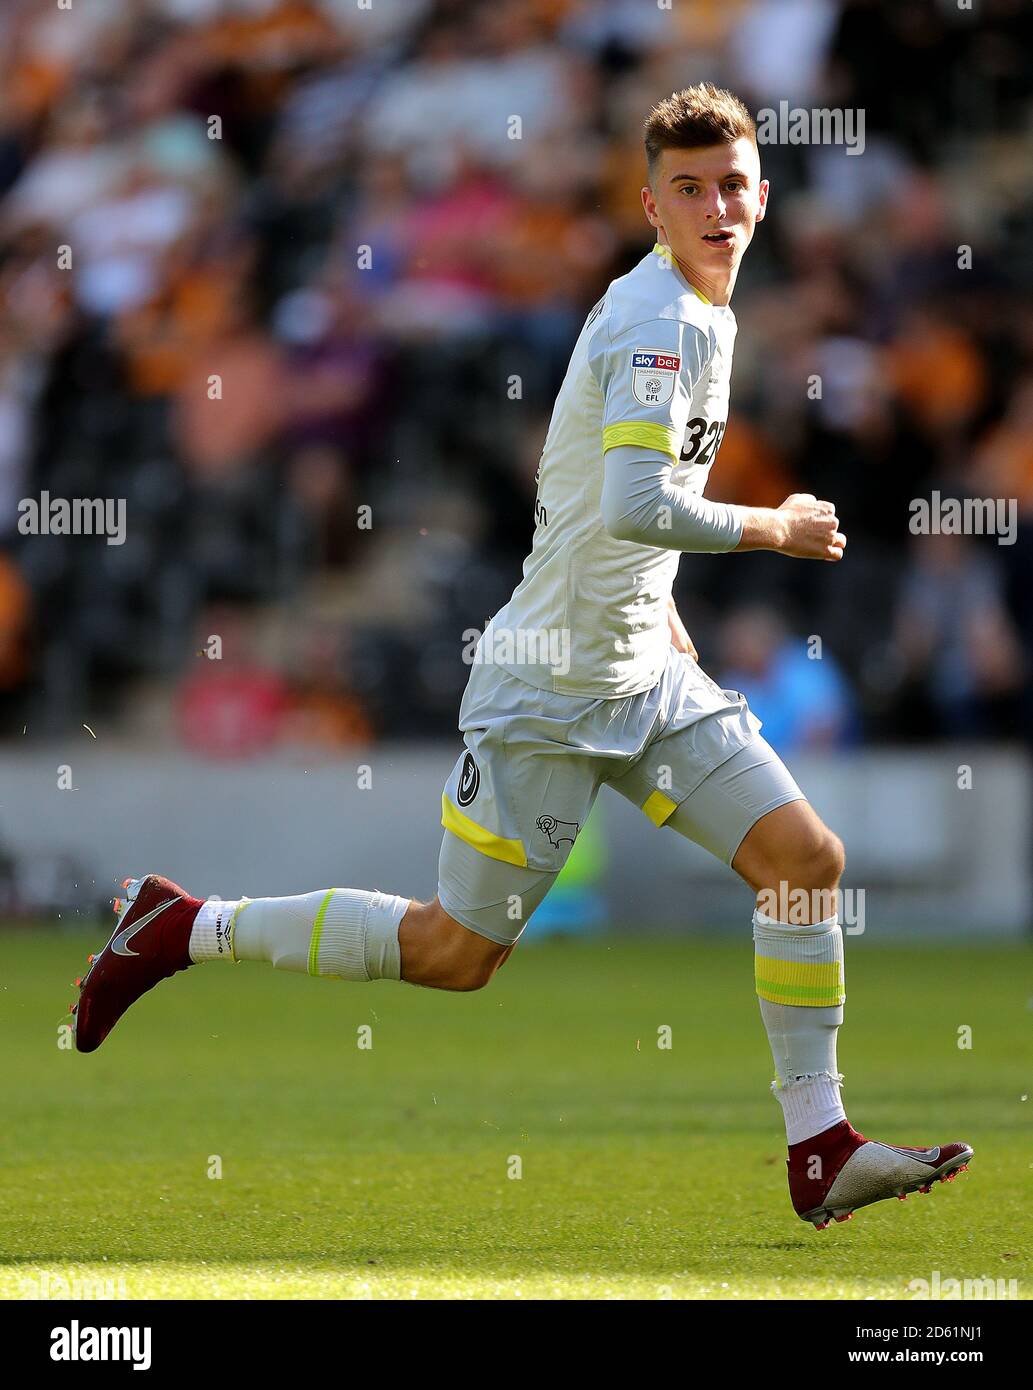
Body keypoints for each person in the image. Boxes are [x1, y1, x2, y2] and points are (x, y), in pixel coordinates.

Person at [72, 84, 970, 1228]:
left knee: (803, 860)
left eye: (733, 184)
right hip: (546, 687)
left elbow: (598, 510)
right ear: (649, 204)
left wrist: (667, 619)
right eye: (687, 189)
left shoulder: (700, 310)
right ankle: (182, 923)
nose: (715, 206)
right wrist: (775, 527)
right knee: (456, 953)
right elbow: (639, 499)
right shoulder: (664, 320)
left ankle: (820, 1143)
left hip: (644, 669)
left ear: (762, 195)